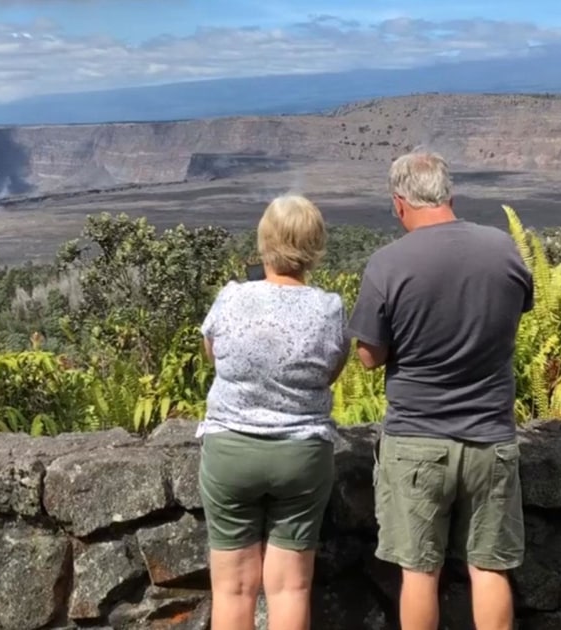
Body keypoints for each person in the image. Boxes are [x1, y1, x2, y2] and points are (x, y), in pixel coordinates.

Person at [346, 151, 533, 630]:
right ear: (450, 194)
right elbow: (514, 315)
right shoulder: (503, 249)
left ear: (399, 203)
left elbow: (369, 357)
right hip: (490, 437)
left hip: (415, 440)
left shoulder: (387, 263)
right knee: (489, 568)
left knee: (419, 572)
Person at [198, 194, 350, 630]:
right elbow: (331, 371)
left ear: (264, 242)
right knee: (290, 590)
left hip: (230, 452)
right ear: (314, 247)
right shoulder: (329, 308)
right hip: (301, 454)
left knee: (232, 590)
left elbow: (213, 353)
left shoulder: (231, 298)